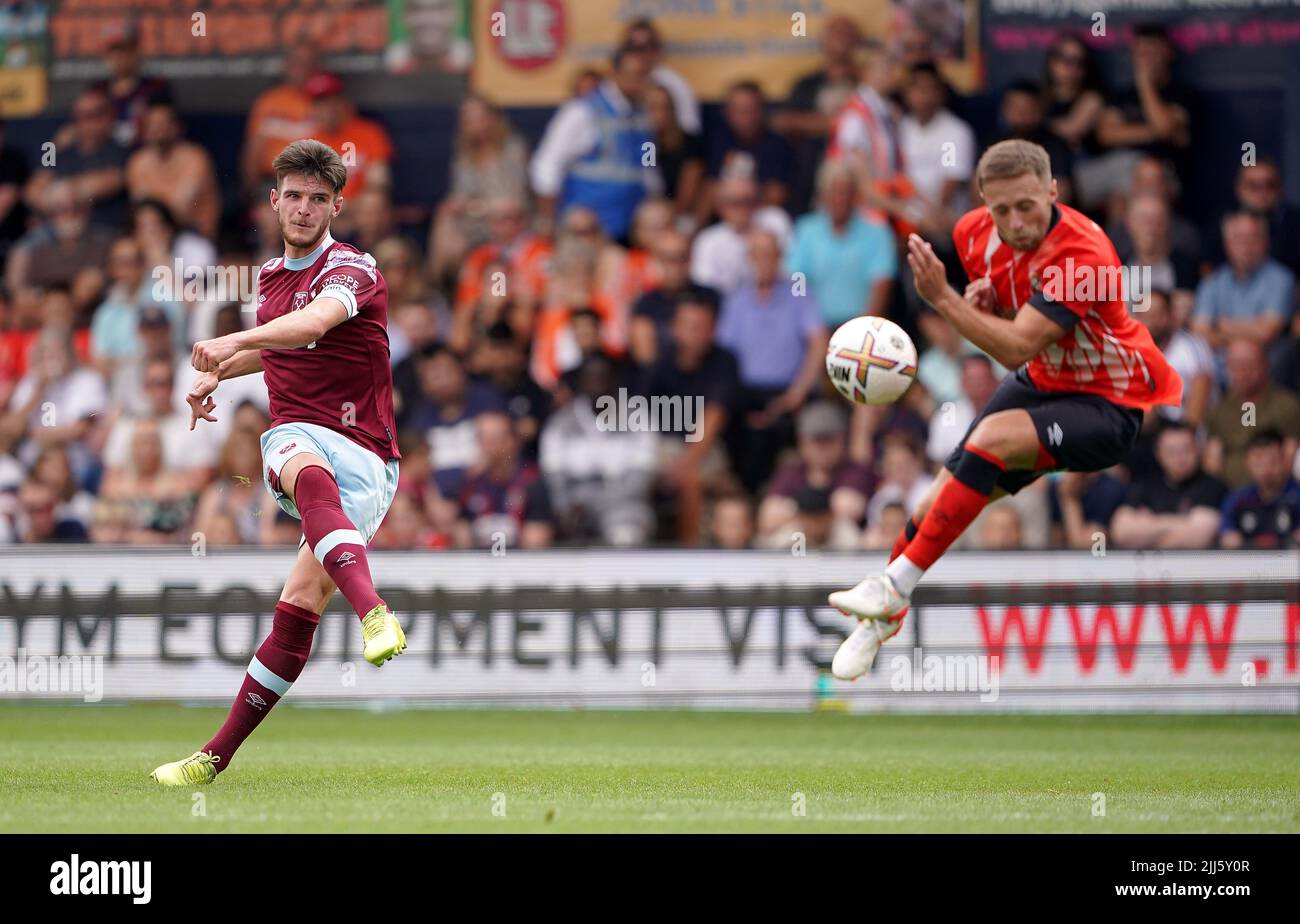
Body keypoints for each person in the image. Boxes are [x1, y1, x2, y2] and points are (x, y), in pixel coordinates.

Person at [827, 139, 1182, 681]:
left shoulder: (1083, 254)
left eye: (1027, 206)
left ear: (1053, 191)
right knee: (933, 503)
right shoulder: (972, 232)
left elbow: (1016, 346)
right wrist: (984, 298)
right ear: (984, 204)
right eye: (1002, 210)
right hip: (1042, 382)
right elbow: (1010, 300)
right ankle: (882, 618)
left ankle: (893, 588)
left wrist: (943, 300)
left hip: (1110, 403)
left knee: (990, 438)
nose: (1015, 222)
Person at [151, 140, 405, 786]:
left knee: (286, 447)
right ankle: (213, 759)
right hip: (310, 444)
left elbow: (312, 324)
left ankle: (372, 610)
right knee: (294, 600)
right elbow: (278, 352)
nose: (303, 208)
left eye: (318, 198)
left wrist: (232, 338)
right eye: (293, 195)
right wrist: (219, 375)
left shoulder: (352, 269)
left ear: (336, 206)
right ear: (274, 200)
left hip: (365, 453)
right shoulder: (269, 278)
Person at [529, 45, 658, 241]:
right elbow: (547, 164)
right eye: (634, 74)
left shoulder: (643, 116)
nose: (641, 81)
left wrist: (652, 200)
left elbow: (648, 166)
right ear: (614, 73)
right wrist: (547, 219)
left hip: (630, 226)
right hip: (587, 229)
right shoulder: (581, 112)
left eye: (645, 74)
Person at [1110, 421, 1225, 550]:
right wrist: (1182, 522)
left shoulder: (1212, 487)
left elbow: (1200, 536)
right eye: (1172, 452)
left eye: (1186, 450)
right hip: (1147, 568)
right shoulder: (1146, 485)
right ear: (1158, 454)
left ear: (1198, 450)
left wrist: (1149, 524)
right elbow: (1120, 532)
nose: (1180, 458)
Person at [1218, 429, 1300, 549]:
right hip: (1247, 563)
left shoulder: (1297, 497)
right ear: (1248, 462)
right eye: (1259, 461)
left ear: (1285, 460)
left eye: (1272, 461)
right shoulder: (1237, 499)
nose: (1266, 469)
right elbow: (1227, 536)